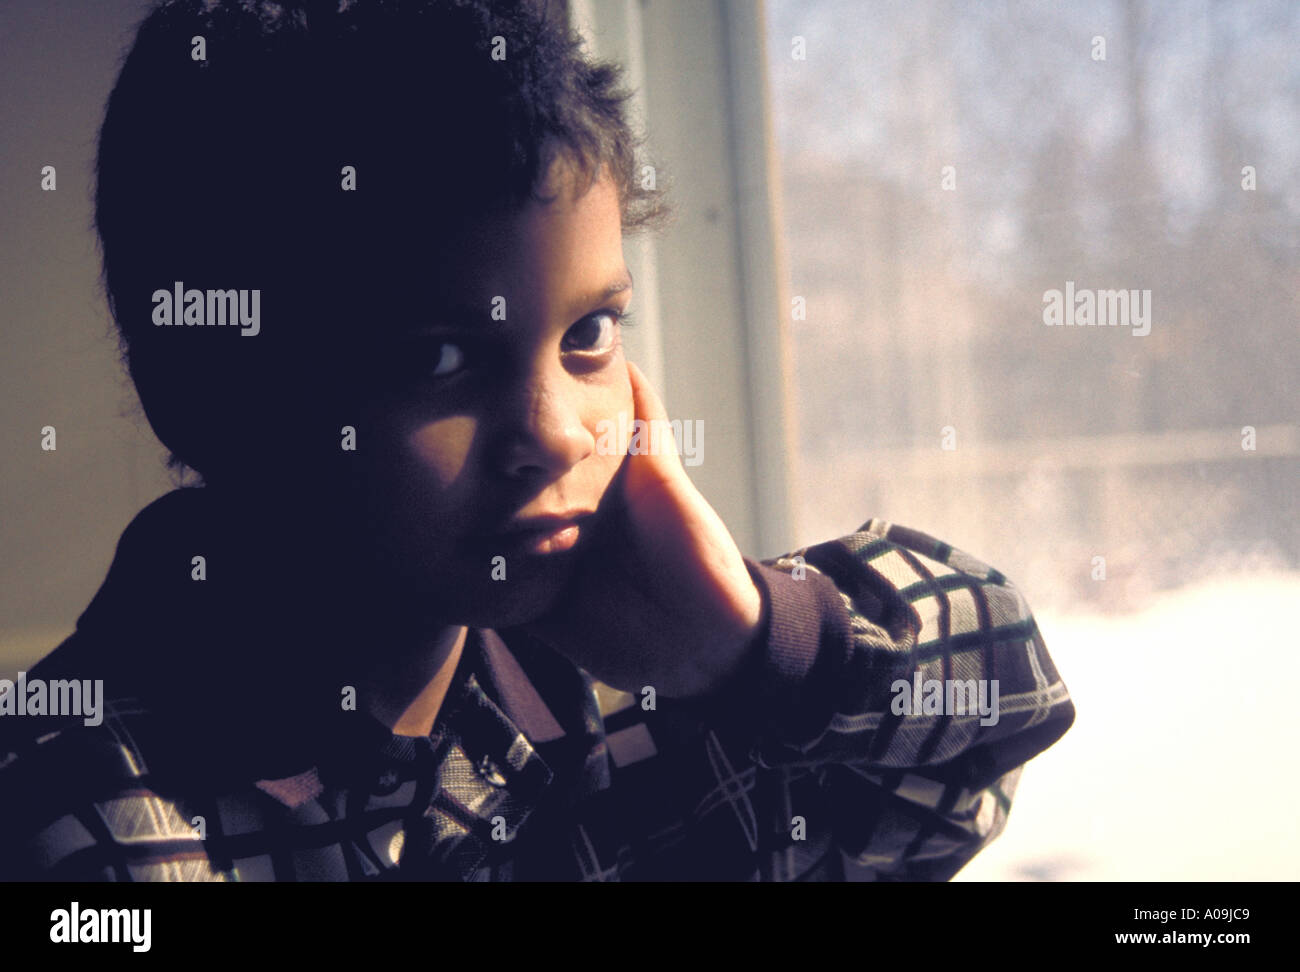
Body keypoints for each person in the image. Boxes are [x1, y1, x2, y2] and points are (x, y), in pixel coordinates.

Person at [0, 0, 1074, 881]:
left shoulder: (622, 703)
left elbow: (979, 743)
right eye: (438, 359)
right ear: (213, 393)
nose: (558, 437)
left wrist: (755, 645)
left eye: (590, 335)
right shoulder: (84, 818)